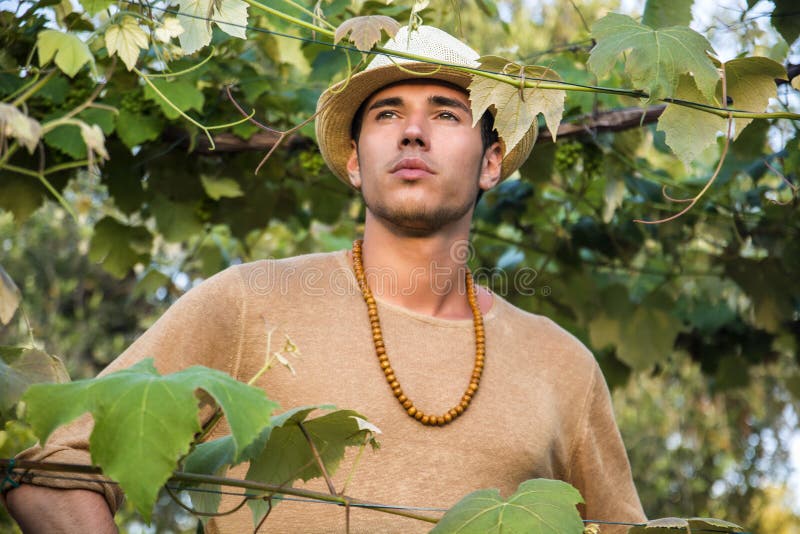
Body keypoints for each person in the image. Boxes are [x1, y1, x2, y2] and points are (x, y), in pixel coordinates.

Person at [3, 25, 645, 533]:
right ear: (354, 161)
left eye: (447, 114)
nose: (413, 132)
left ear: (491, 162)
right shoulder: (248, 302)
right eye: (387, 114)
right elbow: (52, 476)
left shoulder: (564, 365)